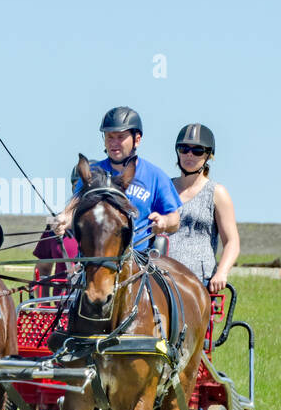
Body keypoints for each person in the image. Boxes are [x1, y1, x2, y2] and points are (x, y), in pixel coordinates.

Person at [51, 106, 182, 247]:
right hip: (95, 257)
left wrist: (164, 221)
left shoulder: (156, 176)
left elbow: (175, 219)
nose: (114, 143)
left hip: (137, 258)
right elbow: (72, 210)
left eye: (120, 137)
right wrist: (63, 220)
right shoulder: (92, 172)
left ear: (137, 140)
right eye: (109, 137)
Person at [165, 123, 240, 293]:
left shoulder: (217, 192)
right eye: (184, 149)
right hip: (162, 276)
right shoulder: (164, 187)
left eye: (197, 150)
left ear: (208, 155)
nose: (189, 154)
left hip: (198, 281)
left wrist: (221, 272)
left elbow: (232, 241)